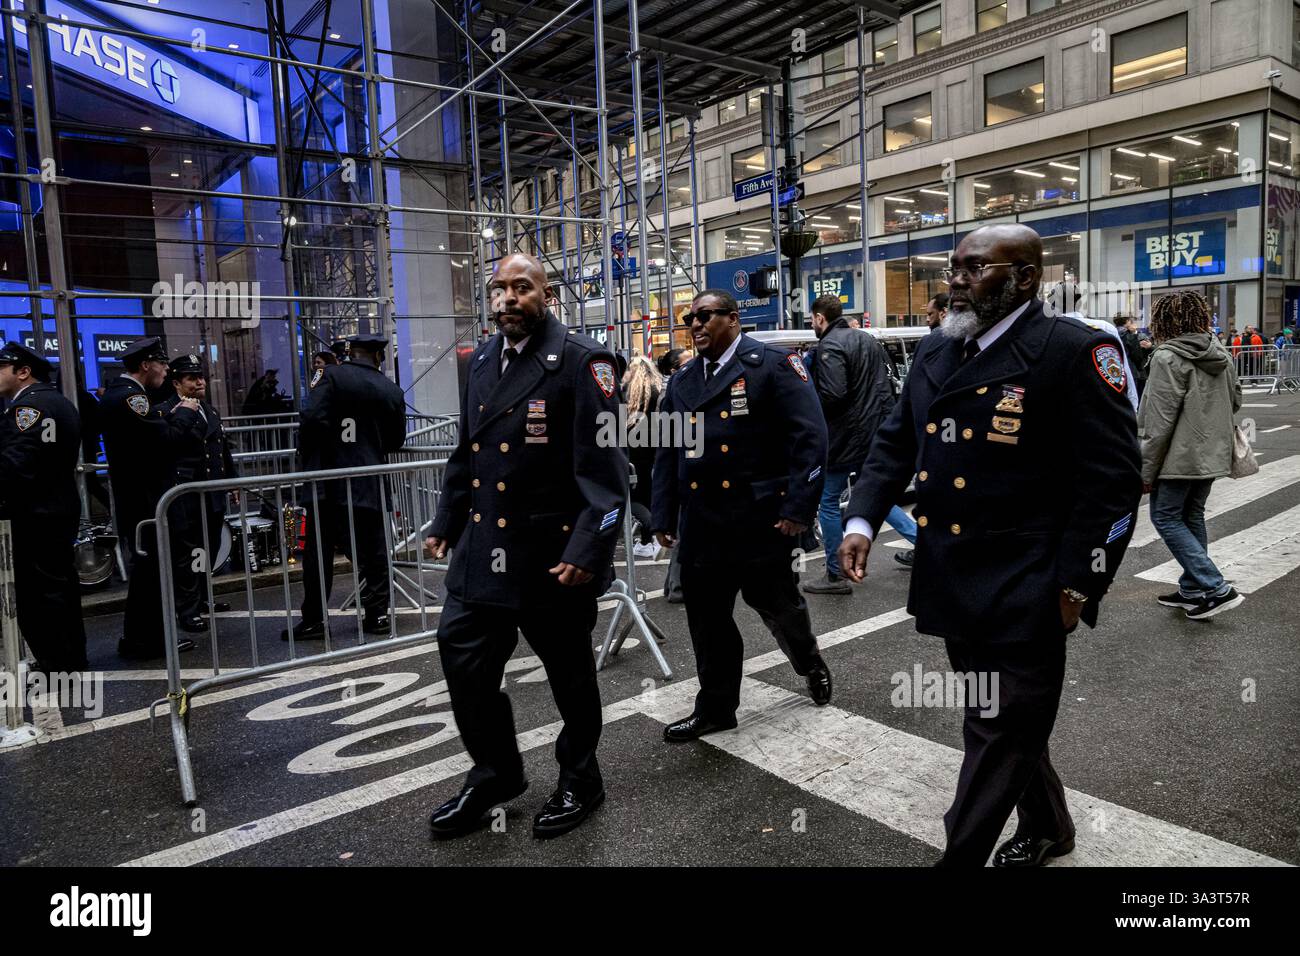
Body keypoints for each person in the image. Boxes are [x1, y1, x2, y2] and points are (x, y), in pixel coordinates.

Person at [838, 224, 1142, 867]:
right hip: (953, 572)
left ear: (1025, 278)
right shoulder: (937, 350)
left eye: (975, 269)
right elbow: (895, 441)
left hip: (1029, 580)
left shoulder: (1072, 352)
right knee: (1001, 715)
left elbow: (1113, 484)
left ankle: (962, 855)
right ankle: (1051, 826)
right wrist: (862, 519)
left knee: (997, 730)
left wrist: (1079, 583)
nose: (957, 281)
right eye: (955, 268)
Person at [424, 253, 627, 840]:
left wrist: (589, 551)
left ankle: (581, 778)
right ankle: (496, 773)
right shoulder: (483, 357)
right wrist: (445, 518)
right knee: (462, 659)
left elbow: (606, 474)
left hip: (552, 556)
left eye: (521, 288)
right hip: (483, 551)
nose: (507, 299)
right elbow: (469, 451)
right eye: (498, 289)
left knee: (569, 675)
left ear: (547, 294)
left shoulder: (584, 364)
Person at [652, 289, 832, 743]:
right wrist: (662, 515)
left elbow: (810, 439)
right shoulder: (683, 380)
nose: (695, 325)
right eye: (690, 318)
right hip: (702, 522)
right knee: (708, 621)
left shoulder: (771, 365)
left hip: (760, 520)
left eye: (705, 316)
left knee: (779, 606)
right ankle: (715, 707)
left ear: (733, 319)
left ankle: (808, 660)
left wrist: (798, 510)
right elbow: (667, 452)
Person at [282, 332, 406, 641]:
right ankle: (376, 615)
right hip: (369, 480)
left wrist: (319, 451)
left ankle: (313, 620)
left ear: (350, 352)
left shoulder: (330, 376)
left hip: (328, 481)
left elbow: (311, 417)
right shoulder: (390, 389)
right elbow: (395, 440)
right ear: (378, 356)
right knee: (375, 551)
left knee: (319, 554)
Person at [1140, 290, 1244, 620]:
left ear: (1163, 321)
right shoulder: (1220, 352)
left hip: (1178, 456)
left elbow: (1159, 421)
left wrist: (1144, 471)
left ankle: (1216, 587)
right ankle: (1192, 589)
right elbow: (1236, 400)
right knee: (1192, 515)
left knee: (1166, 517)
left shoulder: (1166, 357)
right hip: (1213, 451)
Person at [802, 294, 914, 596]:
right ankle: (921, 542)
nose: (812, 325)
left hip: (844, 438)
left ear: (820, 318)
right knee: (875, 495)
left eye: (812, 320)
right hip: (872, 432)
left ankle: (835, 574)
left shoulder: (828, 346)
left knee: (827, 500)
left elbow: (834, 394)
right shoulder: (865, 338)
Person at [100, 337, 197, 660]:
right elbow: (164, 441)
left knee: (148, 576)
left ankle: (143, 637)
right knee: (152, 576)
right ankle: (149, 641)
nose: (166, 369)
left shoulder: (126, 396)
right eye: (161, 363)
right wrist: (185, 412)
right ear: (145, 365)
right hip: (145, 500)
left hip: (140, 499)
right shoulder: (131, 399)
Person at [0, 343, 87, 674]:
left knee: (41, 596)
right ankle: (67, 659)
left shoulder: (31, 408)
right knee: (58, 589)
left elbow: (17, 463)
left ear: (23, 371)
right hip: (53, 510)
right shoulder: (51, 402)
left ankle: (58, 663)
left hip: (36, 514)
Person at [156, 354, 236, 632]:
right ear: (176, 382)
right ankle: (187, 610)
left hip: (211, 493)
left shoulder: (209, 410)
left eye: (200, 377)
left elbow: (221, 451)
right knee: (187, 554)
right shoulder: (166, 411)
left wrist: (232, 482)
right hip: (186, 495)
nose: (199, 382)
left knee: (208, 548)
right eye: (192, 378)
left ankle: (203, 598)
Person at [623, 353, 663, 559]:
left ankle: (651, 535)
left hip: (630, 455)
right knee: (646, 497)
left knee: (632, 498)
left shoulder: (626, 395)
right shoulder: (657, 393)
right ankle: (649, 540)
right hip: (652, 454)